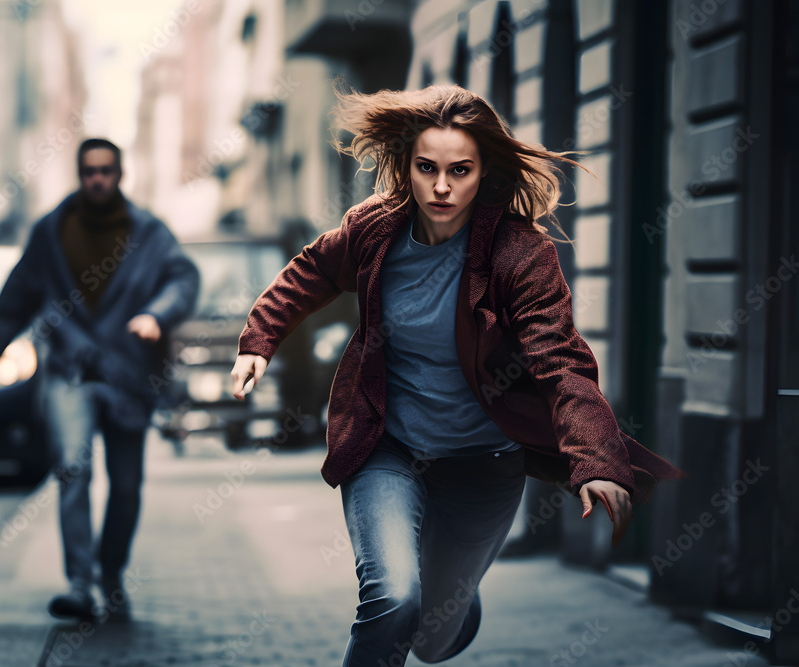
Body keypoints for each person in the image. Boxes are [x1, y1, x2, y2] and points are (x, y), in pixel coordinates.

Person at [230, 84, 685, 665]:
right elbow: (310, 270)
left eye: (460, 170)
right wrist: (259, 341)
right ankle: (417, 597)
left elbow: (560, 362)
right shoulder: (375, 229)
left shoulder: (520, 254)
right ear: (407, 167)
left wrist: (595, 458)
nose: (441, 187)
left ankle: (451, 604)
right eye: (427, 168)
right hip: (385, 445)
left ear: (483, 172)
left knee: (432, 638)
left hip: (483, 464)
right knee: (393, 601)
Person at [0, 138, 200, 621]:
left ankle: (110, 575)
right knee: (74, 469)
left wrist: (156, 313)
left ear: (120, 174)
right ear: (80, 174)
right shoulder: (51, 230)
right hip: (70, 371)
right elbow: (19, 288)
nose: (97, 179)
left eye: (106, 170)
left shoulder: (150, 232)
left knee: (126, 486)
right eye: (89, 171)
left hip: (128, 376)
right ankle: (80, 585)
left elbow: (183, 279)